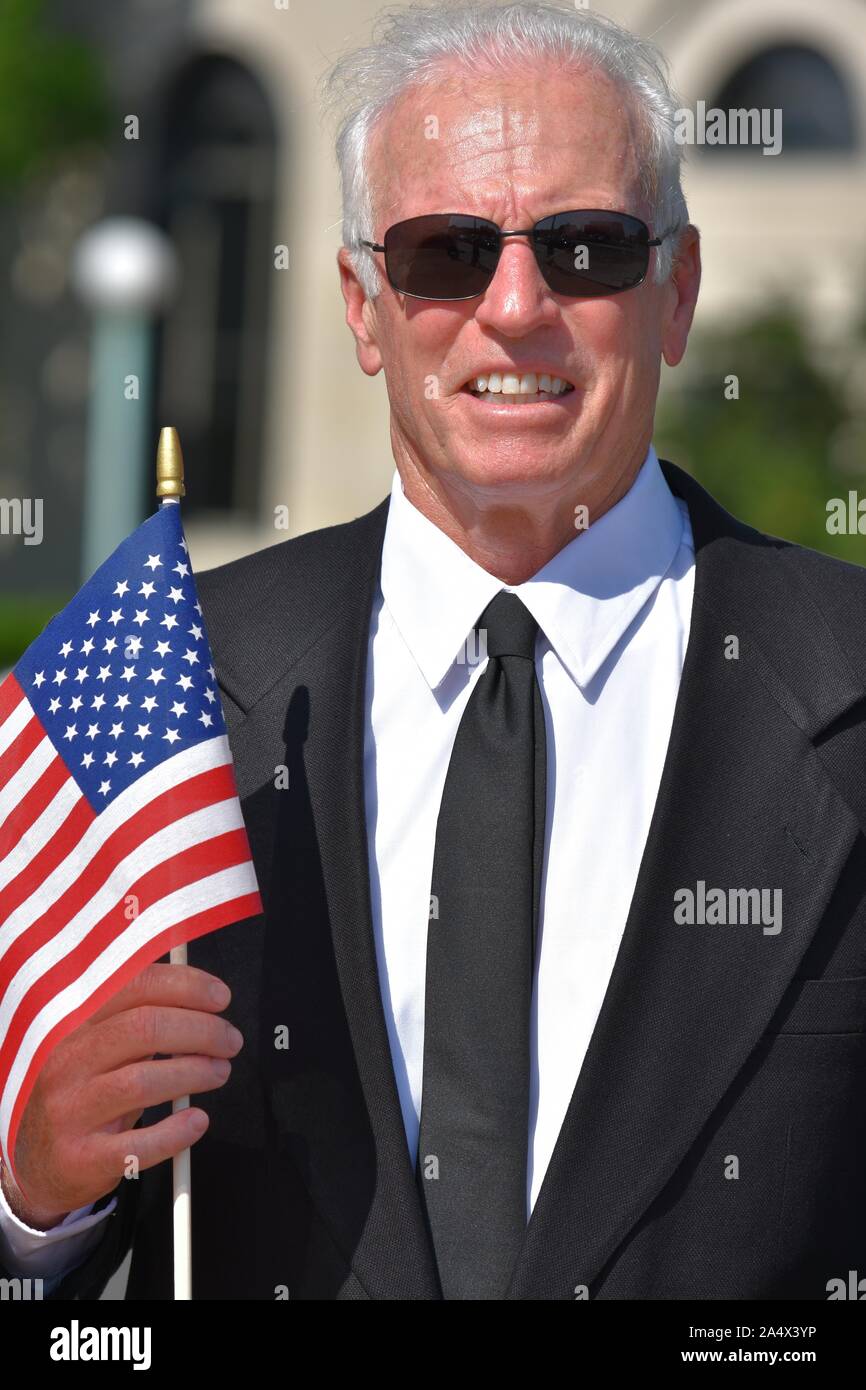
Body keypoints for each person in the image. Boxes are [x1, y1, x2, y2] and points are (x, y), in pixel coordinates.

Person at [2, 1, 865, 1301]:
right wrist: (33, 1201)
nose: (513, 307)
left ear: (673, 291)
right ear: (361, 305)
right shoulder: (173, 700)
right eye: (445, 252)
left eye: (583, 248)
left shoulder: (844, 681)